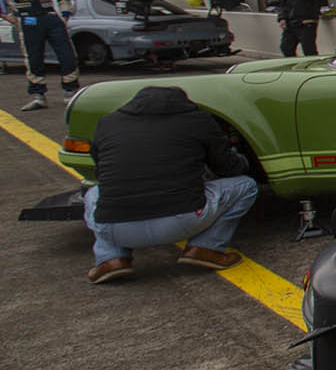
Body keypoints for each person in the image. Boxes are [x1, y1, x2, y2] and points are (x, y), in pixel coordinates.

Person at [80, 85, 259, 283]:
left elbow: (101, 172)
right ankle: (205, 248)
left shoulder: (108, 123)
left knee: (93, 194)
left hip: (115, 229)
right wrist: (241, 159)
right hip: (182, 221)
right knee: (246, 186)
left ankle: (110, 259)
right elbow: (228, 169)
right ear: (184, 103)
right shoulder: (197, 120)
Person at [2, 0, 80, 110]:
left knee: (67, 55)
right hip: (27, 21)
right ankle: (38, 95)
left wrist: (65, 15)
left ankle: (70, 92)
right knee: (33, 58)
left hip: (50, 18)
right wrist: (7, 17)